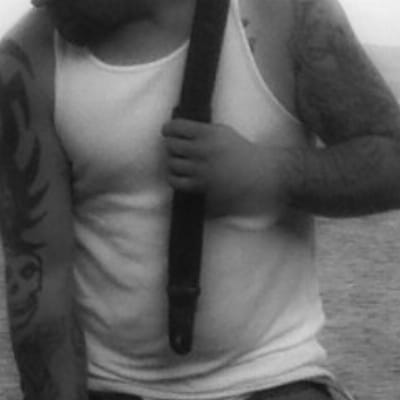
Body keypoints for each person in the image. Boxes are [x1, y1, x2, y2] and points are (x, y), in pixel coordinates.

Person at [1, 0, 400, 399]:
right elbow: (42, 292)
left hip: (276, 375)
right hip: (110, 387)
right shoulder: (26, 62)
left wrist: (270, 174)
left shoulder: (283, 13)